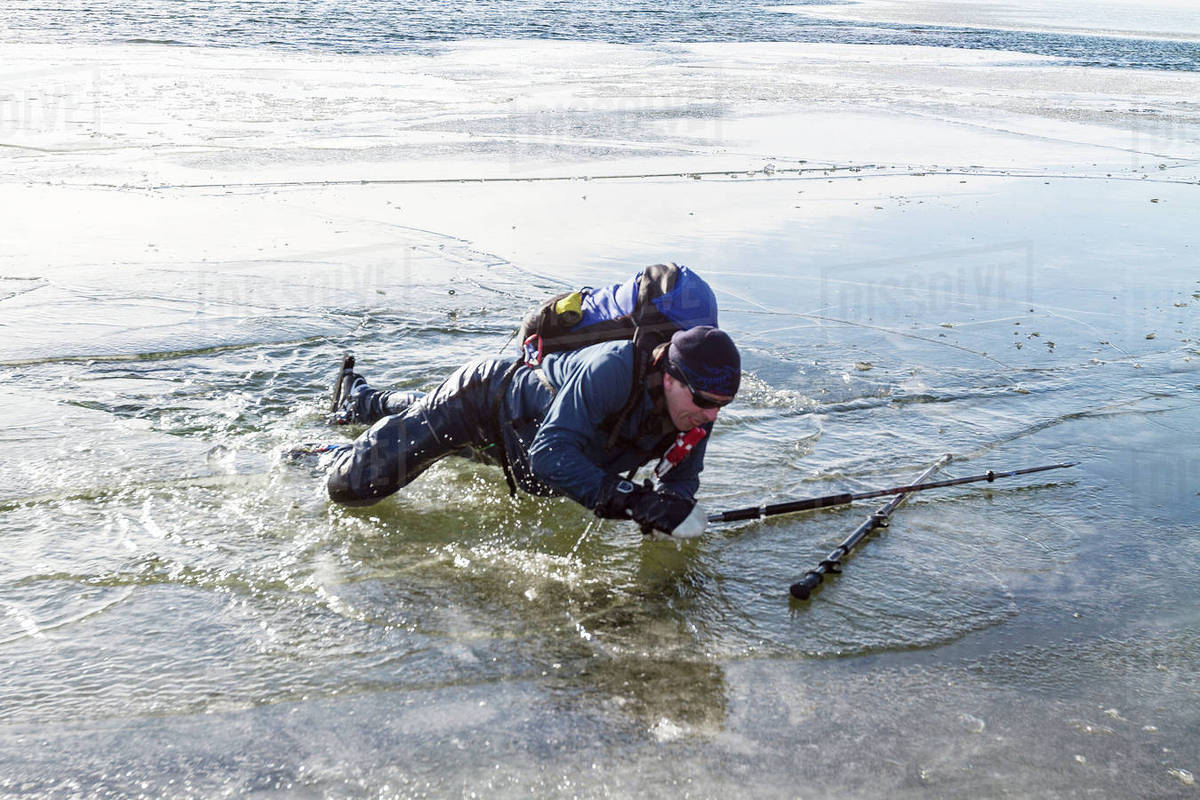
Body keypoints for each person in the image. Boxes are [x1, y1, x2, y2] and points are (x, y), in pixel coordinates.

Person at [323, 278, 740, 540]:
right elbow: (549, 456)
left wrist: (672, 509)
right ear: (670, 375)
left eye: (722, 406)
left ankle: (366, 401)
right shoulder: (612, 368)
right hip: (480, 403)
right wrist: (632, 500)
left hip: (518, 438)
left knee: (428, 423)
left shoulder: (696, 414)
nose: (712, 416)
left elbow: (680, 481)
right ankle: (330, 442)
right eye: (705, 402)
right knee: (351, 487)